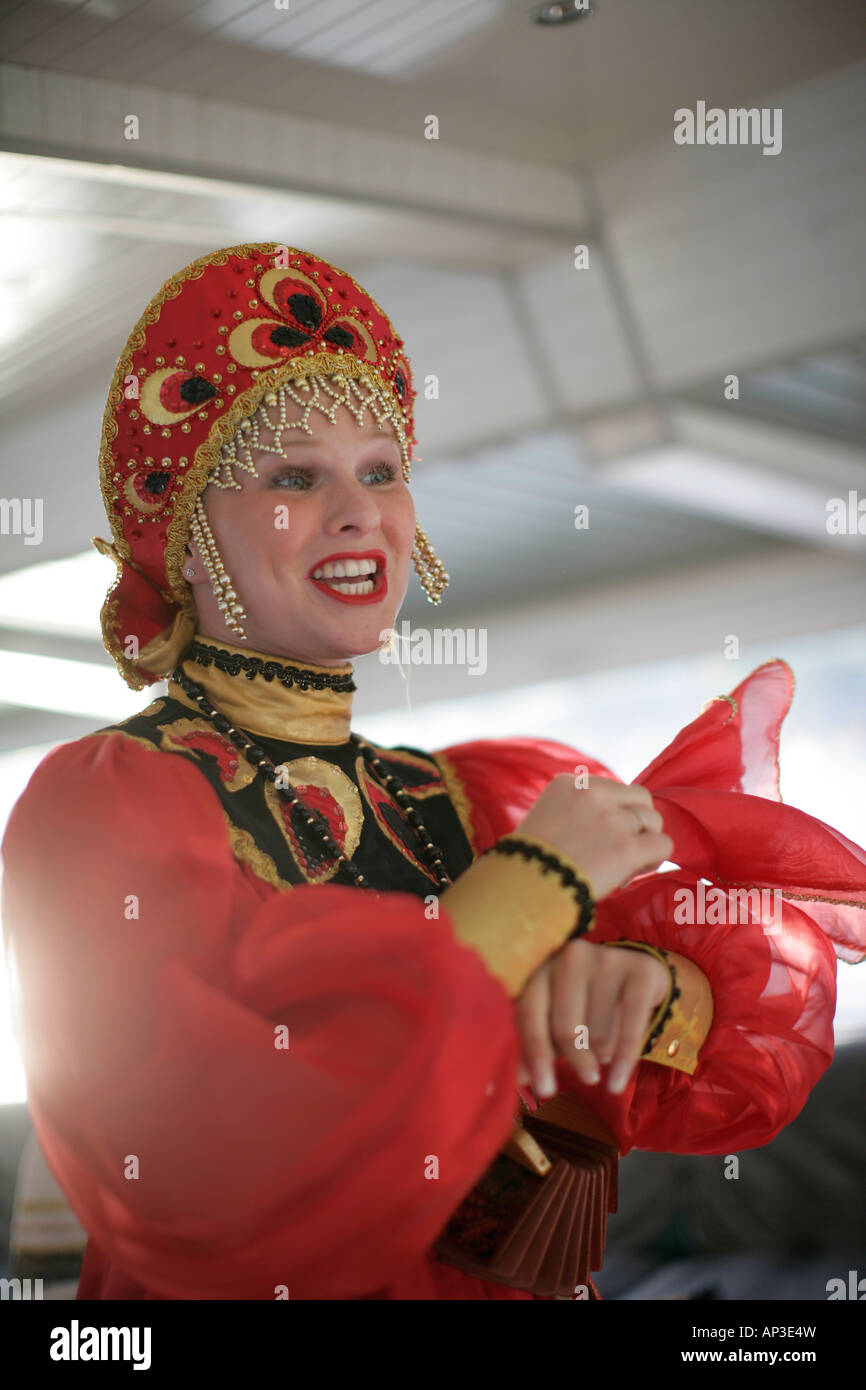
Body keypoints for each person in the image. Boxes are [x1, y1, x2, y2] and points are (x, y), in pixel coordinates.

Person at [2, 243, 865, 1302]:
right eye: (293, 476)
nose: (361, 510)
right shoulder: (106, 800)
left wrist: (629, 995)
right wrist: (532, 894)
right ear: (182, 534)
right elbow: (188, 1164)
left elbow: (723, 1068)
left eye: (380, 470)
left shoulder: (458, 795)